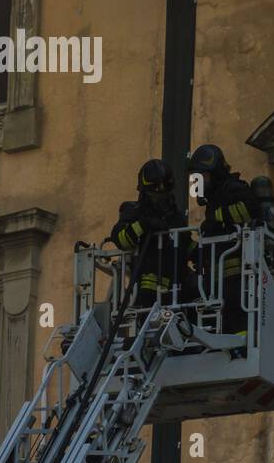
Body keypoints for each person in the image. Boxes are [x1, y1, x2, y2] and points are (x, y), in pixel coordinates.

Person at [189, 144, 264, 340]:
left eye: (201, 177)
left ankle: (241, 349)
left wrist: (217, 216)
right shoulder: (213, 198)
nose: (198, 183)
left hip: (236, 276)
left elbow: (250, 211)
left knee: (237, 323)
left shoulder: (232, 188)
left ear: (214, 173)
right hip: (215, 280)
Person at [109, 158, 195, 314]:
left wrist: (203, 253)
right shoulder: (133, 211)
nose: (160, 197)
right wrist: (144, 224)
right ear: (144, 192)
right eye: (155, 193)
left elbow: (186, 244)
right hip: (146, 294)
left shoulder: (176, 218)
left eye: (164, 192)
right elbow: (120, 239)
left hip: (178, 292)